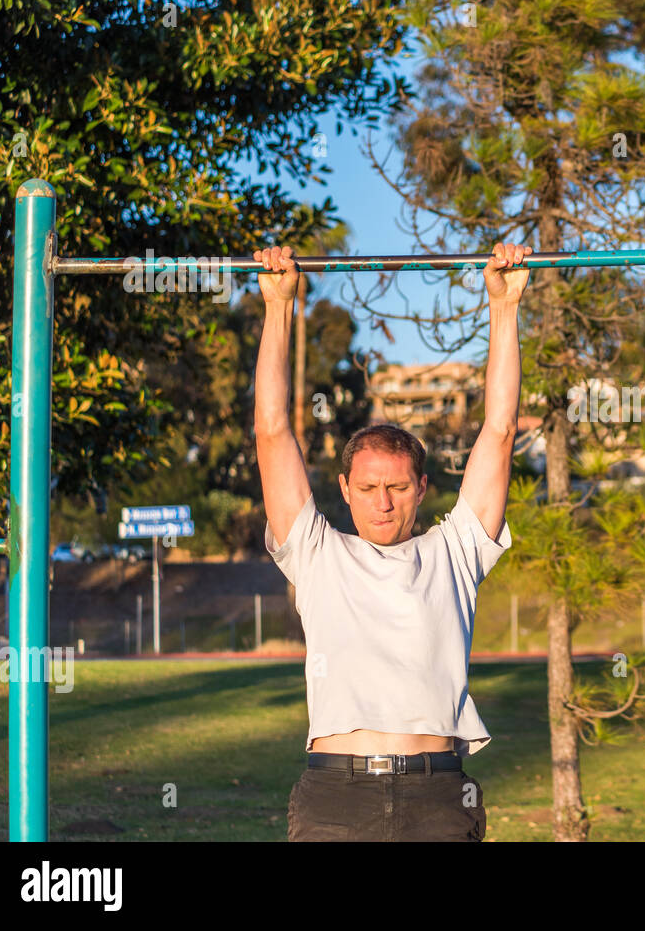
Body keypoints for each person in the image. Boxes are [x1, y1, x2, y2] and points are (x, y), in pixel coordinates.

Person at [253, 241, 529, 841]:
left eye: (398, 488)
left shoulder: (454, 552)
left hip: (437, 795)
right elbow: (272, 433)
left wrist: (503, 309)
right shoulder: (317, 553)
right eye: (370, 487)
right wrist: (278, 307)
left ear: (422, 489)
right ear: (345, 489)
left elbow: (500, 432)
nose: (383, 502)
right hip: (335, 797)